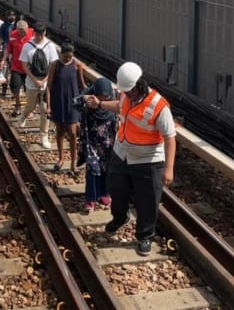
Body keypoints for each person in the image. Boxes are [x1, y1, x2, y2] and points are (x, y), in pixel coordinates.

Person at [98, 62, 176, 256]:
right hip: (122, 152)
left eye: (129, 91)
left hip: (148, 159)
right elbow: (119, 107)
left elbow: (170, 138)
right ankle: (120, 217)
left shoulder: (159, 106)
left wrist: (169, 169)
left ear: (139, 85)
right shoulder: (126, 95)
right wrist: (99, 104)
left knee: (147, 200)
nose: (126, 94)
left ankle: (145, 236)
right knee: (115, 188)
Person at [46, 41, 86, 173]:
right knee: (59, 131)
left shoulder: (76, 65)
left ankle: (73, 163)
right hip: (58, 102)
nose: (68, 59)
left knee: (73, 133)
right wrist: (48, 106)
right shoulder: (55, 65)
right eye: (66, 56)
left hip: (73, 103)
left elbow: (82, 85)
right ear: (61, 54)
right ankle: (61, 158)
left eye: (70, 56)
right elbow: (49, 86)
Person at [18, 22, 59, 150]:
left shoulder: (50, 46)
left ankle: (44, 136)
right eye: (37, 34)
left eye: (41, 34)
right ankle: (24, 115)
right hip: (32, 83)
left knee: (45, 109)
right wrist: (35, 80)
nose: (39, 37)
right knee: (30, 106)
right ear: (34, 33)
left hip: (46, 84)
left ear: (45, 33)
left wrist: (44, 80)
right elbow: (24, 65)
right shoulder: (27, 46)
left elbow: (53, 65)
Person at [78, 78, 116, 212]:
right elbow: (74, 101)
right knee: (92, 170)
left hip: (108, 144)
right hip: (92, 143)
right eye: (100, 96)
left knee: (107, 170)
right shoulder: (88, 103)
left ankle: (104, 194)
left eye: (106, 97)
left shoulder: (113, 102)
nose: (103, 99)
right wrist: (86, 96)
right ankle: (90, 199)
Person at [0, 19, 32, 116]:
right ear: (17, 30)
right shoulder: (13, 35)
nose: (22, 34)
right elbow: (8, 49)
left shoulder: (32, 34)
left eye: (24, 32)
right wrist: (3, 60)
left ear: (27, 29)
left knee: (29, 90)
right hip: (16, 67)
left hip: (29, 68)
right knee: (15, 86)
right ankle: (18, 105)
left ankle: (29, 108)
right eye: (20, 32)